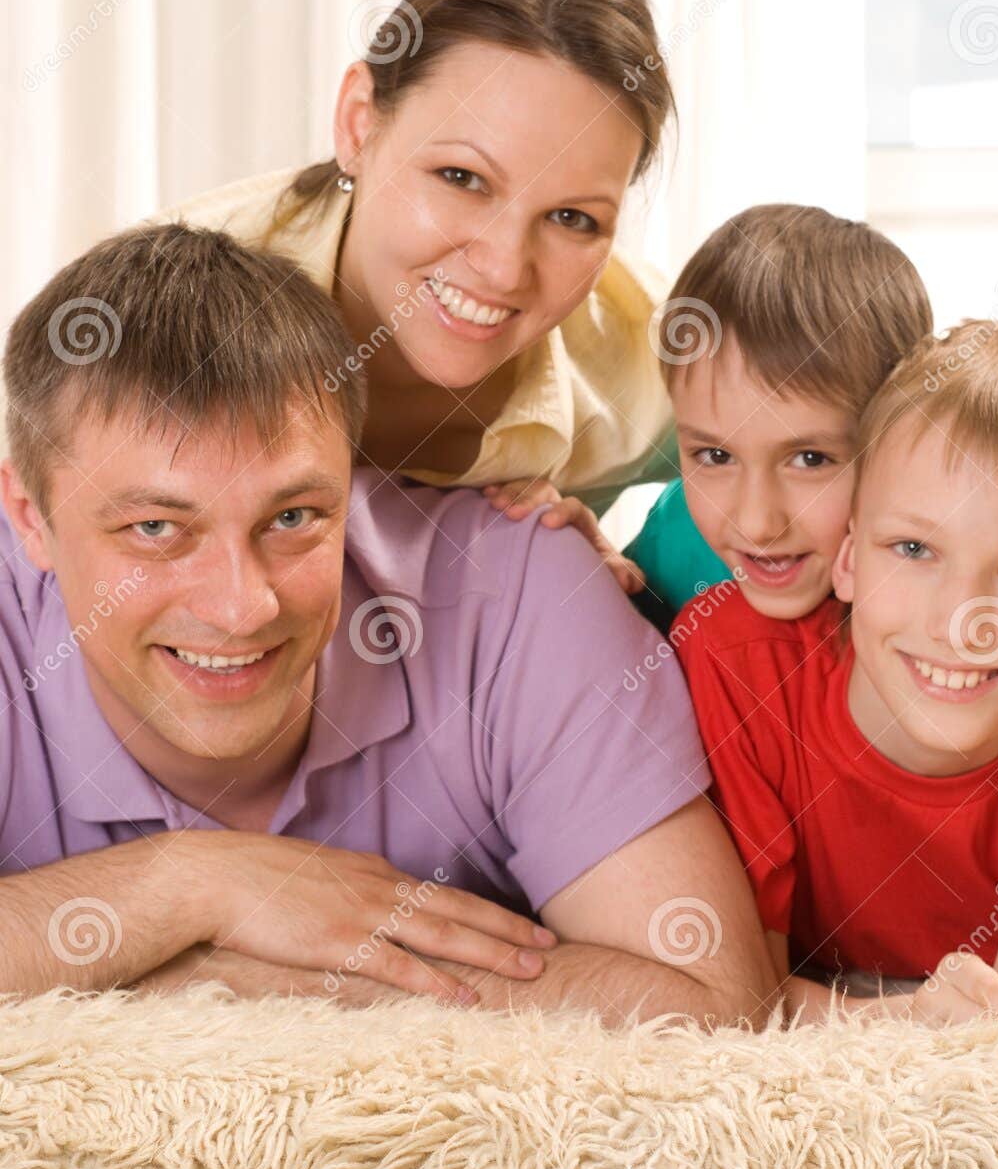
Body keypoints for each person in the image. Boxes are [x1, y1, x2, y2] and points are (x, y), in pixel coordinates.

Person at [0, 221, 776, 1028]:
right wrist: (194, 885)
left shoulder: (519, 593)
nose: (241, 608)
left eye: (294, 516)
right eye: (156, 530)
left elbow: (713, 1010)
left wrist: (221, 971)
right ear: (30, 516)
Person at [146, 0, 683, 591]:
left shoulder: (658, 356)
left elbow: (823, 473)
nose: (504, 268)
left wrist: (635, 593)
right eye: (461, 177)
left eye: (572, 218)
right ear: (358, 125)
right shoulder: (146, 315)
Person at [675, 320, 998, 1025]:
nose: (960, 620)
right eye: (913, 547)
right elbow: (740, 991)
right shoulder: (737, 664)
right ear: (849, 558)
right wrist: (903, 1024)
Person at [619, 204, 933, 632]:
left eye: (810, 459)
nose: (756, 524)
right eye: (714, 455)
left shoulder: (946, 574)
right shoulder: (674, 536)